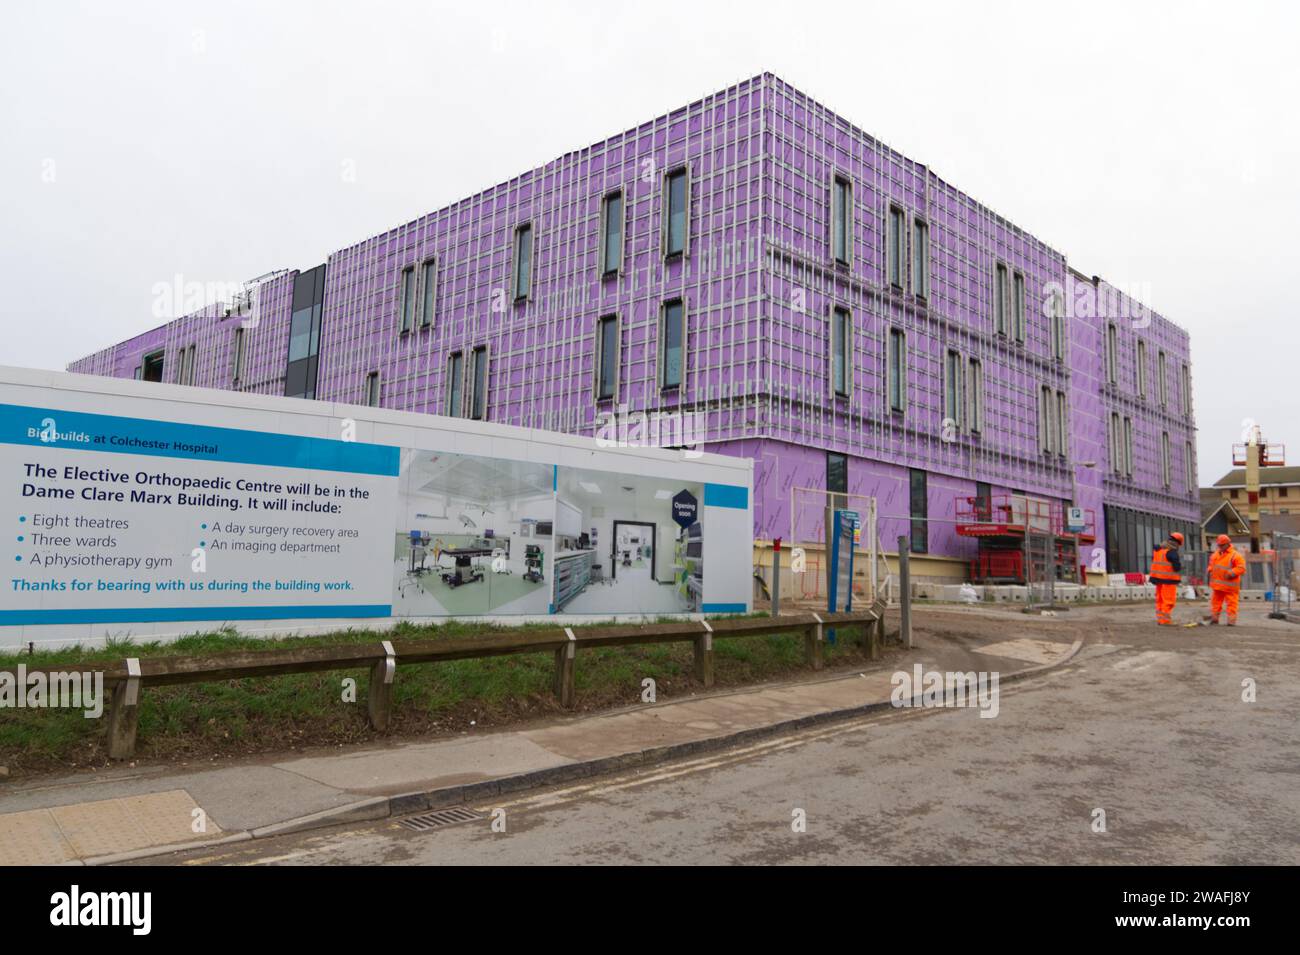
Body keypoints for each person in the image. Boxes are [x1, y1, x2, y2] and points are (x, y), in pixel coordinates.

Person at [1208, 533, 1246, 626]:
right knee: (1215, 603)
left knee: (1232, 604)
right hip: (1218, 585)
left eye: (1221, 545)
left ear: (1227, 544)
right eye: (1219, 545)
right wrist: (1210, 569)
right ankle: (1214, 619)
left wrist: (1231, 573)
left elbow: (1241, 568)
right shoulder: (1215, 554)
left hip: (1230, 586)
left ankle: (1231, 621)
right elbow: (1212, 565)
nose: (1220, 547)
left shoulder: (1235, 555)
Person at [1149, 531, 1184, 626]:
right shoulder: (1172, 552)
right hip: (1169, 580)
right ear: (1177, 543)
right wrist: (1180, 566)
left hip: (1158, 579)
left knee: (1160, 600)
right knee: (1168, 601)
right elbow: (1176, 567)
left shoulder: (1158, 550)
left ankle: (1160, 619)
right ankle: (1165, 621)